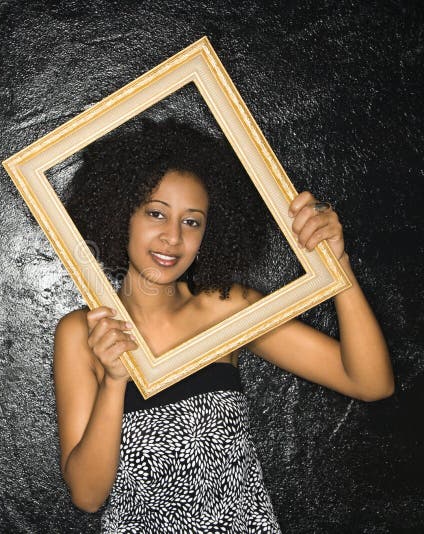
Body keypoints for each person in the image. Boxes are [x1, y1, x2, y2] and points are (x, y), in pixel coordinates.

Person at [53, 119, 394, 532]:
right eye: (156, 214)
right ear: (123, 214)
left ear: (209, 234)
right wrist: (114, 381)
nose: (173, 238)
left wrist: (337, 265)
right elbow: (87, 497)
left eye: (191, 221)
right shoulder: (84, 332)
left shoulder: (226, 309)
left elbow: (371, 383)